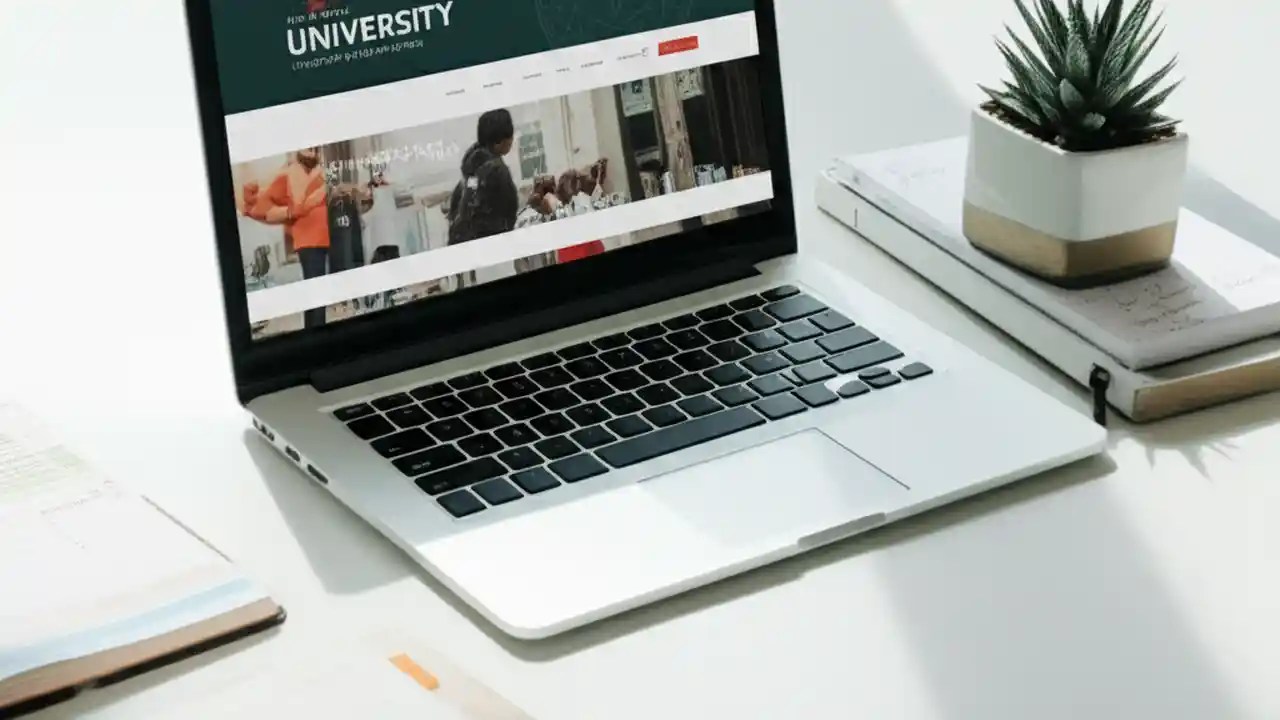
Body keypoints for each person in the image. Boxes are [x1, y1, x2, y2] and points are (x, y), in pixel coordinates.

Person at [249, 147, 330, 328]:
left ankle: (314, 330)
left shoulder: (319, 173)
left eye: (316, 150)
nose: (314, 154)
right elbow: (269, 201)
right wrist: (288, 212)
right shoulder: (289, 174)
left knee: (316, 288)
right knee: (317, 289)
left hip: (323, 237)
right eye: (310, 150)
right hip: (308, 239)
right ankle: (317, 331)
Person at [447, 109, 519, 247]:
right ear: (499, 142)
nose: (512, 140)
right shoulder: (498, 172)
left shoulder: (467, 176)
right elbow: (509, 215)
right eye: (510, 136)